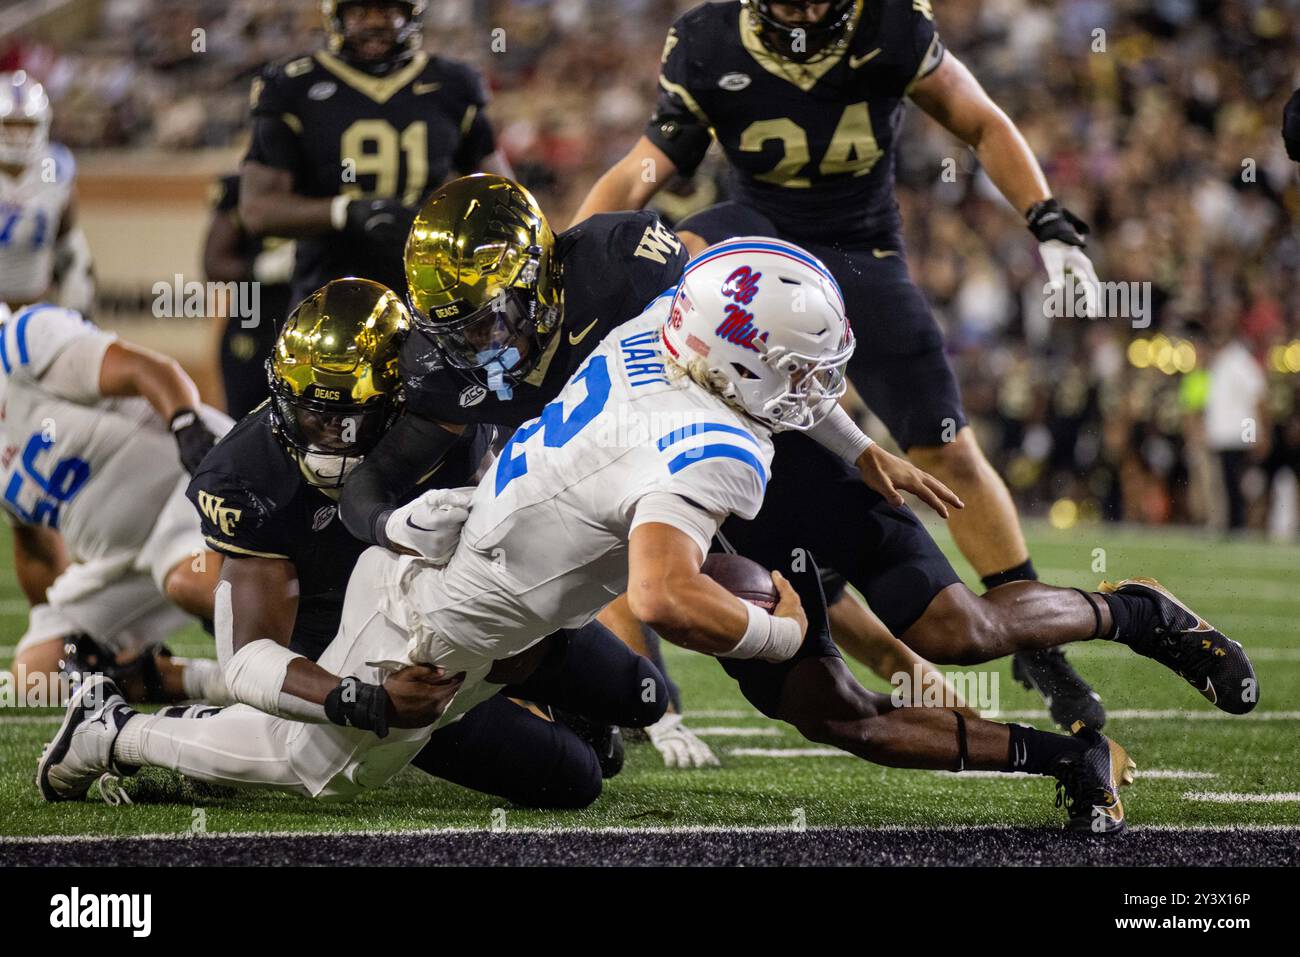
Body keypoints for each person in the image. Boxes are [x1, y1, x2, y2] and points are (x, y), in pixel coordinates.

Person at [41, 239, 1256, 835]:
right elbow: (669, 594)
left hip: (522, 558)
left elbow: (728, 426)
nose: (819, 389)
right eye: (805, 375)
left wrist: (821, 505)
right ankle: (127, 724)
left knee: (876, 661)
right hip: (468, 599)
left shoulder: (656, 322)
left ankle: (1095, 679)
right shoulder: (718, 439)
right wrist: (772, 628)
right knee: (312, 756)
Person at [573, 0, 1106, 729]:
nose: (805, 10)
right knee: (685, 258)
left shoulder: (888, 26)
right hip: (755, 247)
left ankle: (1035, 638)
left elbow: (979, 119)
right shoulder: (710, 41)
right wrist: (572, 265)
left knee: (946, 447)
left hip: (859, 252)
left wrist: (1047, 218)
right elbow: (640, 171)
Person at [36, 279, 666, 810]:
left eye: (349, 419)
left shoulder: (447, 409)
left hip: (478, 603)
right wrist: (357, 698)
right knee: (574, 779)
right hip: (366, 648)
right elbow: (249, 657)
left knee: (640, 695)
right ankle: (188, 732)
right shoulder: (249, 476)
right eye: (311, 414)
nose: (327, 437)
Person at [0, 303, 228, 704]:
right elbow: (35, 549)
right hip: (123, 557)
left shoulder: (22, 343)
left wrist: (187, 426)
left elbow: (150, 371)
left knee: (193, 581)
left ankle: (329, 647)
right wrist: (75, 629)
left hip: (186, 487)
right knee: (38, 675)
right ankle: (210, 684)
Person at [238, 0, 512, 309]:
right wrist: (344, 211)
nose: (374, 23)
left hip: (436, 292)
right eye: (359, 12)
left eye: (387, 11)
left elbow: (500, 194)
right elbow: (257, 210)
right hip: (330, 294)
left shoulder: (453, 83)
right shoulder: (292, 86)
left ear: (410, 15)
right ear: (336, 17)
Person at [0, 72, 94, 314]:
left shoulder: (55, 171)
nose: (19, 135)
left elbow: (69, 249)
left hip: (34, 311)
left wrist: (77, 307)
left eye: (27, 125)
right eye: (10, 125)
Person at [201, 173, 294, 420]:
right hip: (253, 335)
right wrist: (262, 268)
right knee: (244, 429)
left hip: (310, 335)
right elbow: (213, 264)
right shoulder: (241, 188)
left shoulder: (325, 179)